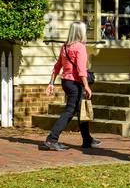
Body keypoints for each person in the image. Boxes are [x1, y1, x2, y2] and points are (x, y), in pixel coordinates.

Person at [42, 22, 98, 151]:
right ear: (80, 32)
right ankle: (52, 139)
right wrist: (87, 86)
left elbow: (57, 66)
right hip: (75, 84)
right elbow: (81, 70)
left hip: (66, 82)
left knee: (80, 111)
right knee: (69, 111)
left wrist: (51, 83)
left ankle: (87, 139)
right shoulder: (80, 47)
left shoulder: (65, 47)